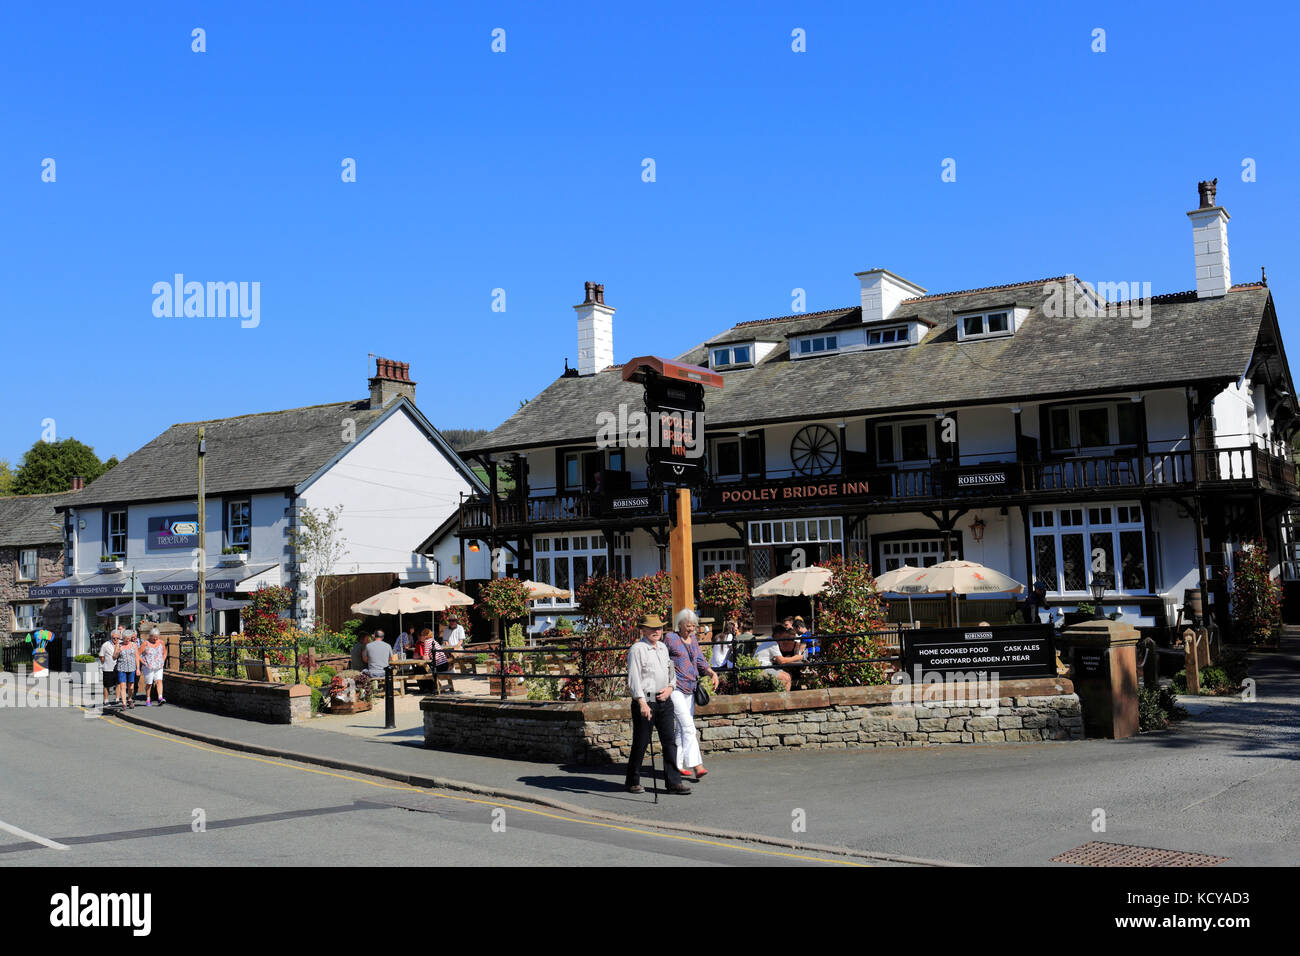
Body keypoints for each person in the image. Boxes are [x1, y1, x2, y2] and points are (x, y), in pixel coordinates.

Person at [624, 614, 689, 795]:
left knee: (670, 742)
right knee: (641, 742)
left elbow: (671, 672)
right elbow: (634, 678)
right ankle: (632, 781)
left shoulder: (662, 647)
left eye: (659, 628)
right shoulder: (638, 649)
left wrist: (670, 687)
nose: (657, 631)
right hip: (646, 700)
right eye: (652, 628)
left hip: (664, 699)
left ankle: (674, 783)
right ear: (643, 630)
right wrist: (642, 703)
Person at [663, 609, 719, 782]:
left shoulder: (693, 639)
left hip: (691, 687)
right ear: (679, 624)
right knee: (688, 727)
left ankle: (677, 766)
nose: (691, 629)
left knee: (681, 729)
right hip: (675, 688)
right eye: (688, 626)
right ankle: (697, 765)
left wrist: (711, 673)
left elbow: (700, 660)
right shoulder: (670, 638)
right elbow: (661, 659)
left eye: (694, 626)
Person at [752, 625, 805, 691]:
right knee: (787, 678)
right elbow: (782, 661)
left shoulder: (770, 639)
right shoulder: (772, 643)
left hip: (761, 666)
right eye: (784, 636)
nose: (784, 639)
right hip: (761, 668)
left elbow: (779, 659)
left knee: (787, 675)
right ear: (778, 635)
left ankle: (781, 696)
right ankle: (784, 699)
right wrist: (797, 657)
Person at [140, 629, 167, 706]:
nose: (155, 639)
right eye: (154, 637)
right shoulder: (145, 643)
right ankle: (148, 699)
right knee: (149, 684)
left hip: (159, 666)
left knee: (159, 681)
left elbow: (165, 652)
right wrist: (143, 662)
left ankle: (160, 698)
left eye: (157, 637)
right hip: (148, 667)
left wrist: (163, 660)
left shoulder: (161, 642)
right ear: (150, 636)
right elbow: (138, 654)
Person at [115, 630, 139, 709]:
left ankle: (129, 698)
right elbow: (114, 657)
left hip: (132, 668)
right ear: (123, 638)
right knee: (123, 686)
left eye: (129, 638)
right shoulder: (118, 645)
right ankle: (124, 703)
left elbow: (137, 657)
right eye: (126, 639)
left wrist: (138, 669)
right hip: (122, 668)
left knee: (131, 686)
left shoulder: (134, 645)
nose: (128, 640)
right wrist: (118, 651)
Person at [98, 631, 119, 708]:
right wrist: (104, 663)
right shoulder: (106, 645)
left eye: (117, 638)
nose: (116, 639)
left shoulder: (121, 644)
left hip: (118, 668)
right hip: (108, 668)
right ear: (111, 638)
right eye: (114, 638)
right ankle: (106, 700)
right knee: (107, 685)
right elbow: (101, 656)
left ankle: (117, 699)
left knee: (118, 684)